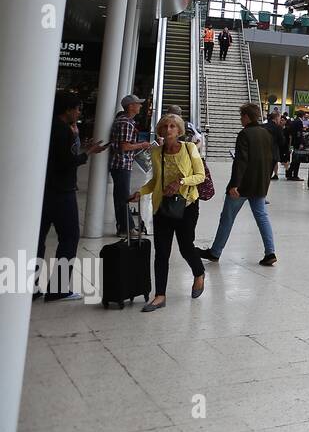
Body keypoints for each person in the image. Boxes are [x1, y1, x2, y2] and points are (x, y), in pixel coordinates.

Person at [130, 114, 207, 312]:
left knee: (185, 247)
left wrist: (180, 182)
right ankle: (160, 295)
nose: (168, 129)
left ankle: (199, 273)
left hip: (187, 206)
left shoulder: (190, 149)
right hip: (162, 206)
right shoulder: (157, 152)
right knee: (161, 252)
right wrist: (141, 192)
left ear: (179, 130)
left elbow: (200, 176)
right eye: (165, 126)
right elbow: (155, 181)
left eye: (173, 126)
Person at [38, 92, 106, 300]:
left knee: (38, 239)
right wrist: (89, 152)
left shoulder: (49, 127)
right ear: (67, 109)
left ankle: (30, 287)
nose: (78, 113)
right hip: (62, 191)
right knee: (69, 237)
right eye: (77, 109)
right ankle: (58, 288)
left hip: (44, 191)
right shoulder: (63, 131)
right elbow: (67, 161)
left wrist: (77, 138)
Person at [201, 103, 276, 266]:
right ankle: (270, 252)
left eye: (242, 116)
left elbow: (241, 161)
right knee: (262, 217)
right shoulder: (267, 134)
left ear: (247, 117)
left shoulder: (245, 134)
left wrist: (234, 185)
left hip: (243, 186)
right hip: (260, 184)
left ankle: (215, 252)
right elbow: (271, 159)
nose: (241, 119)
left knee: (227, 218)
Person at [109, 94, 151, 237]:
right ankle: (126, 228)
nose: (140, 106)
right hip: (122, 164)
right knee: (123, 197)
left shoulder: (125, 121)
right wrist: (143, 145)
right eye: (138, 103)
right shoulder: (126, 123)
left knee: (121, 196)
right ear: (131, 106)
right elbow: (124, 146)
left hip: (120, 164)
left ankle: (125, 226)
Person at [263, 109, 285, 180]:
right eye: (279, 118)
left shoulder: (264, 126)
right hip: (273, 152)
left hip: (263, 151)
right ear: (276, 118)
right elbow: (281, 141)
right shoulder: (278, 127)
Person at [286, 111, 306, 180]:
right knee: (297, 159)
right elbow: (299, 133)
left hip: (294, 142)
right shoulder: (299, 122)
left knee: (295, 159)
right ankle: (294, 175)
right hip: (297, 142)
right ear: (303, 115)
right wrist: (301, 143)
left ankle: (290, 173)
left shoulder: (294, 121)